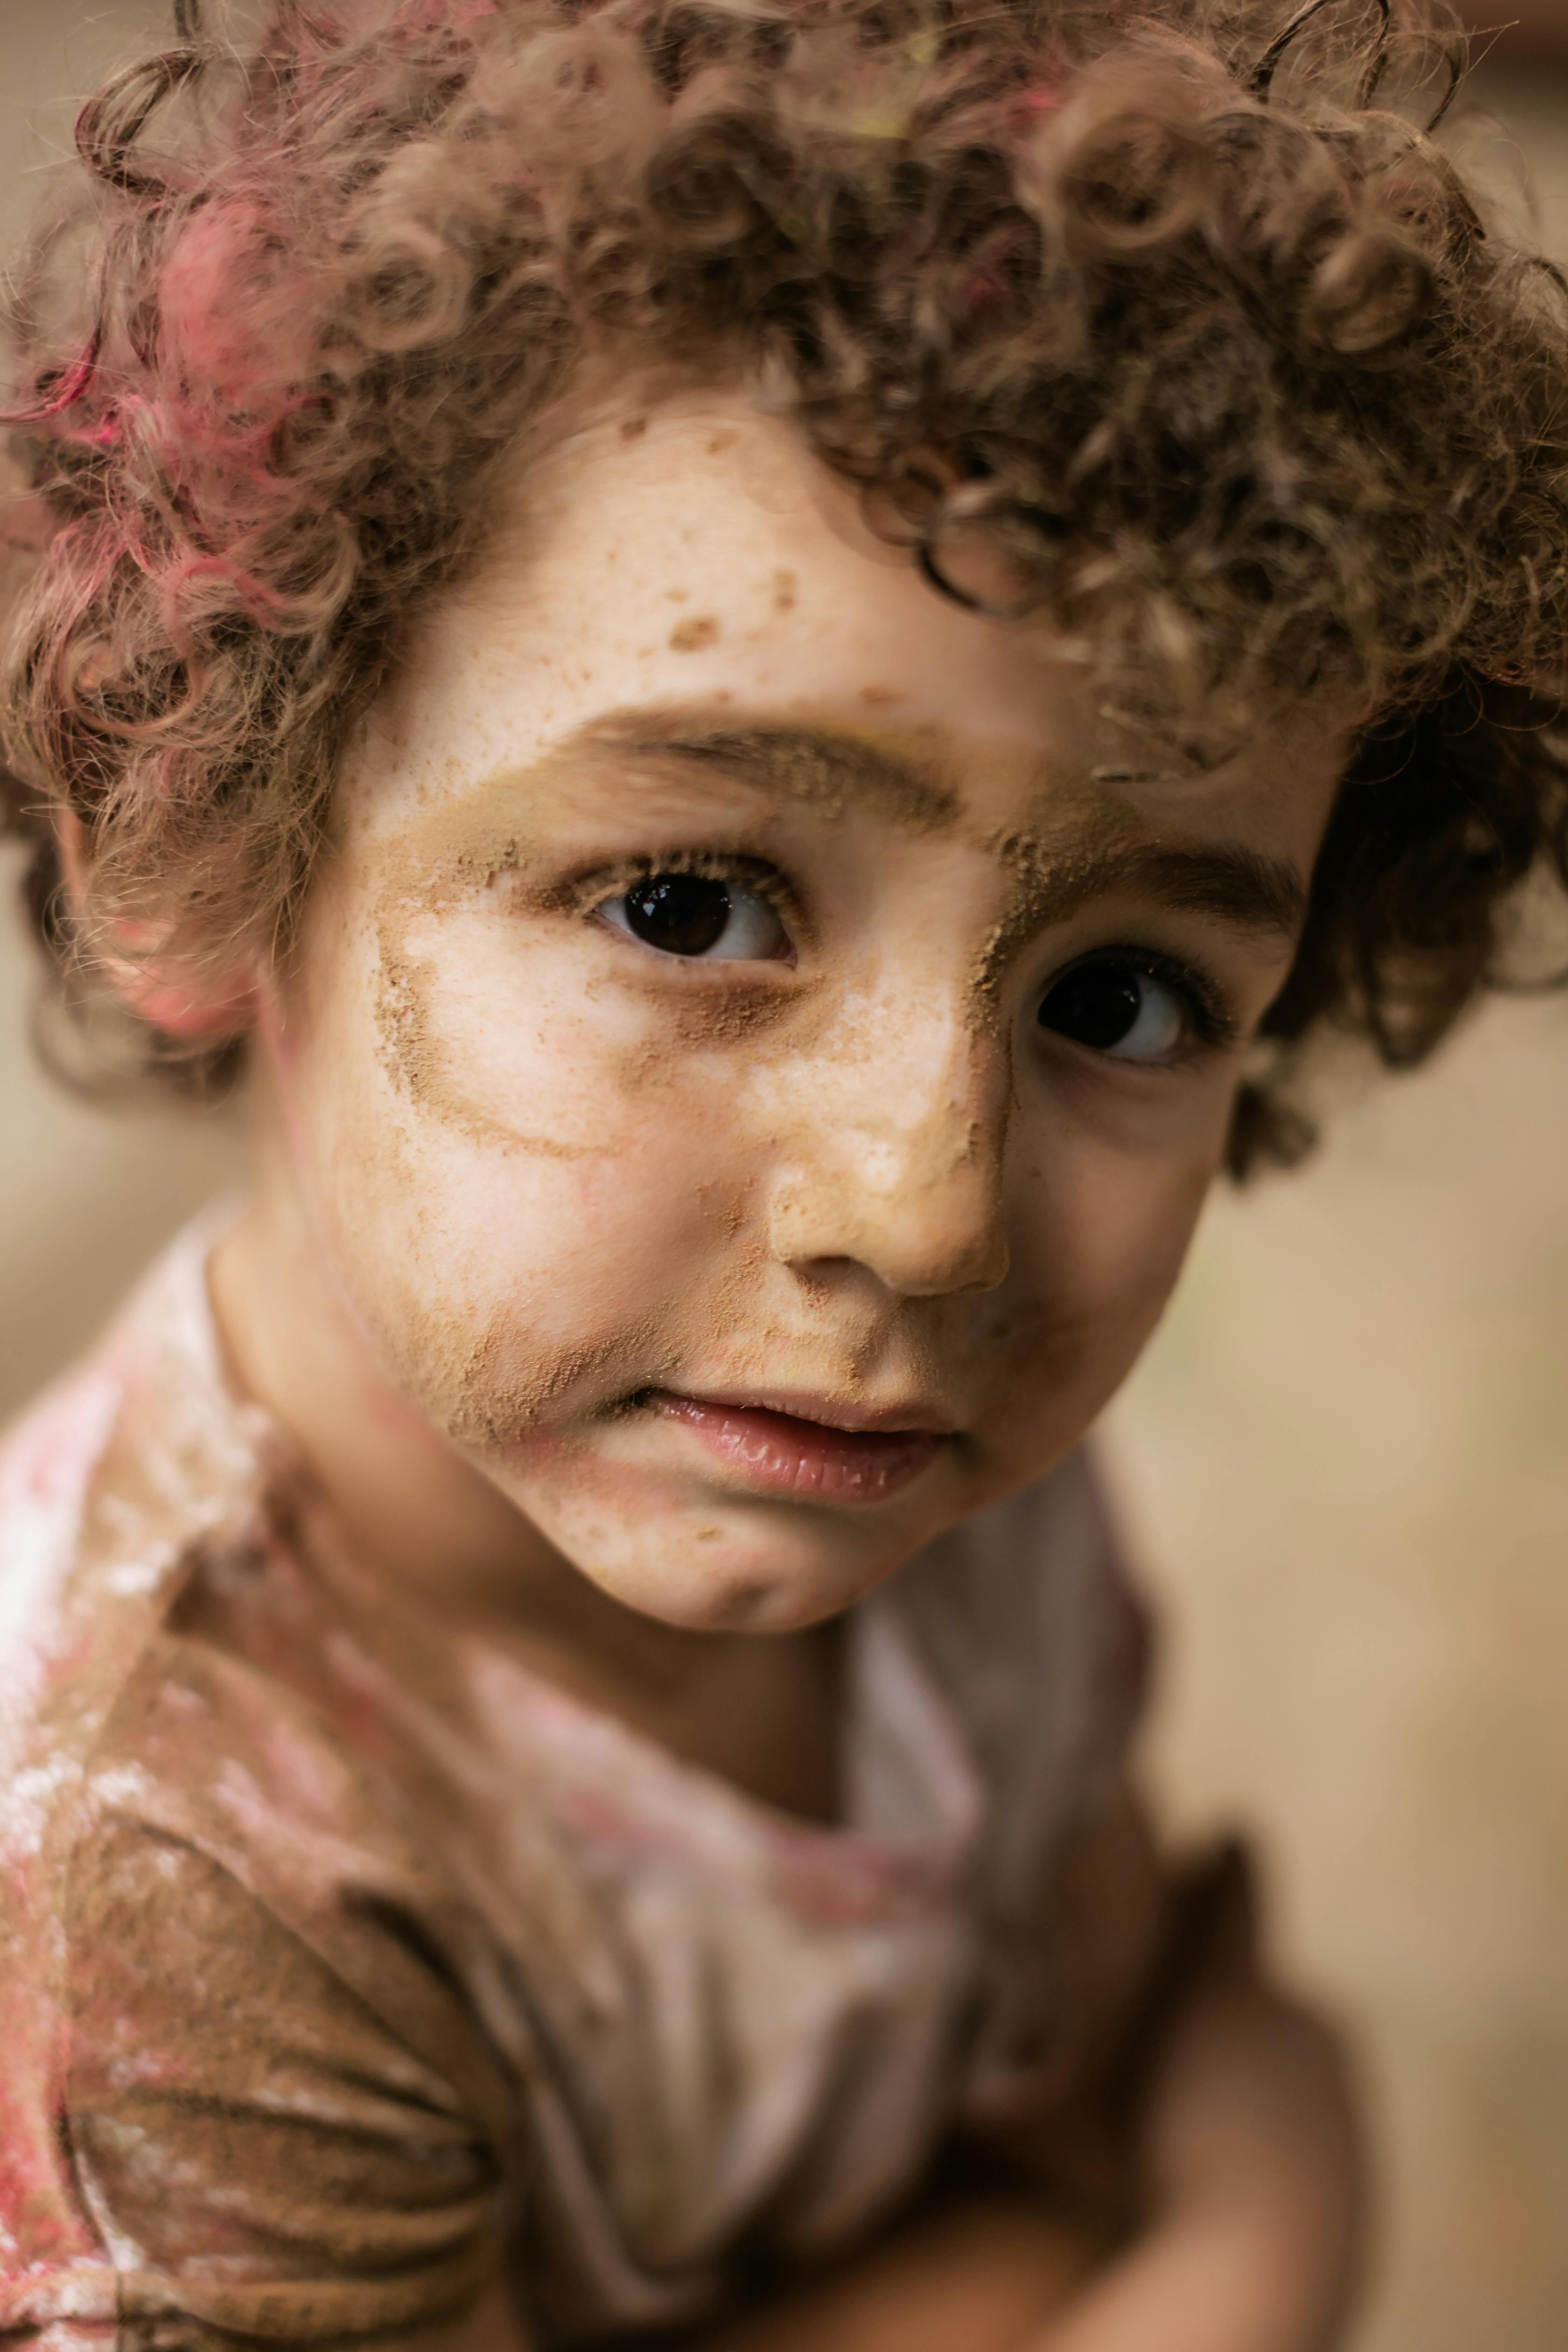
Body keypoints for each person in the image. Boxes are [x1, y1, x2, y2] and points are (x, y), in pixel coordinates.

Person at [1, 1, 1564, 2346]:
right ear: (210, 839)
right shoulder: (160, 1888)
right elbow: (1167, 2128)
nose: (930, 1211)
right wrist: (1255, 2235)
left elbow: (1071, 2099)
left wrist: (1101, 2206)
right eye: (687, 906)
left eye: (1120, 1001)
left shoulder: (901, 1474)